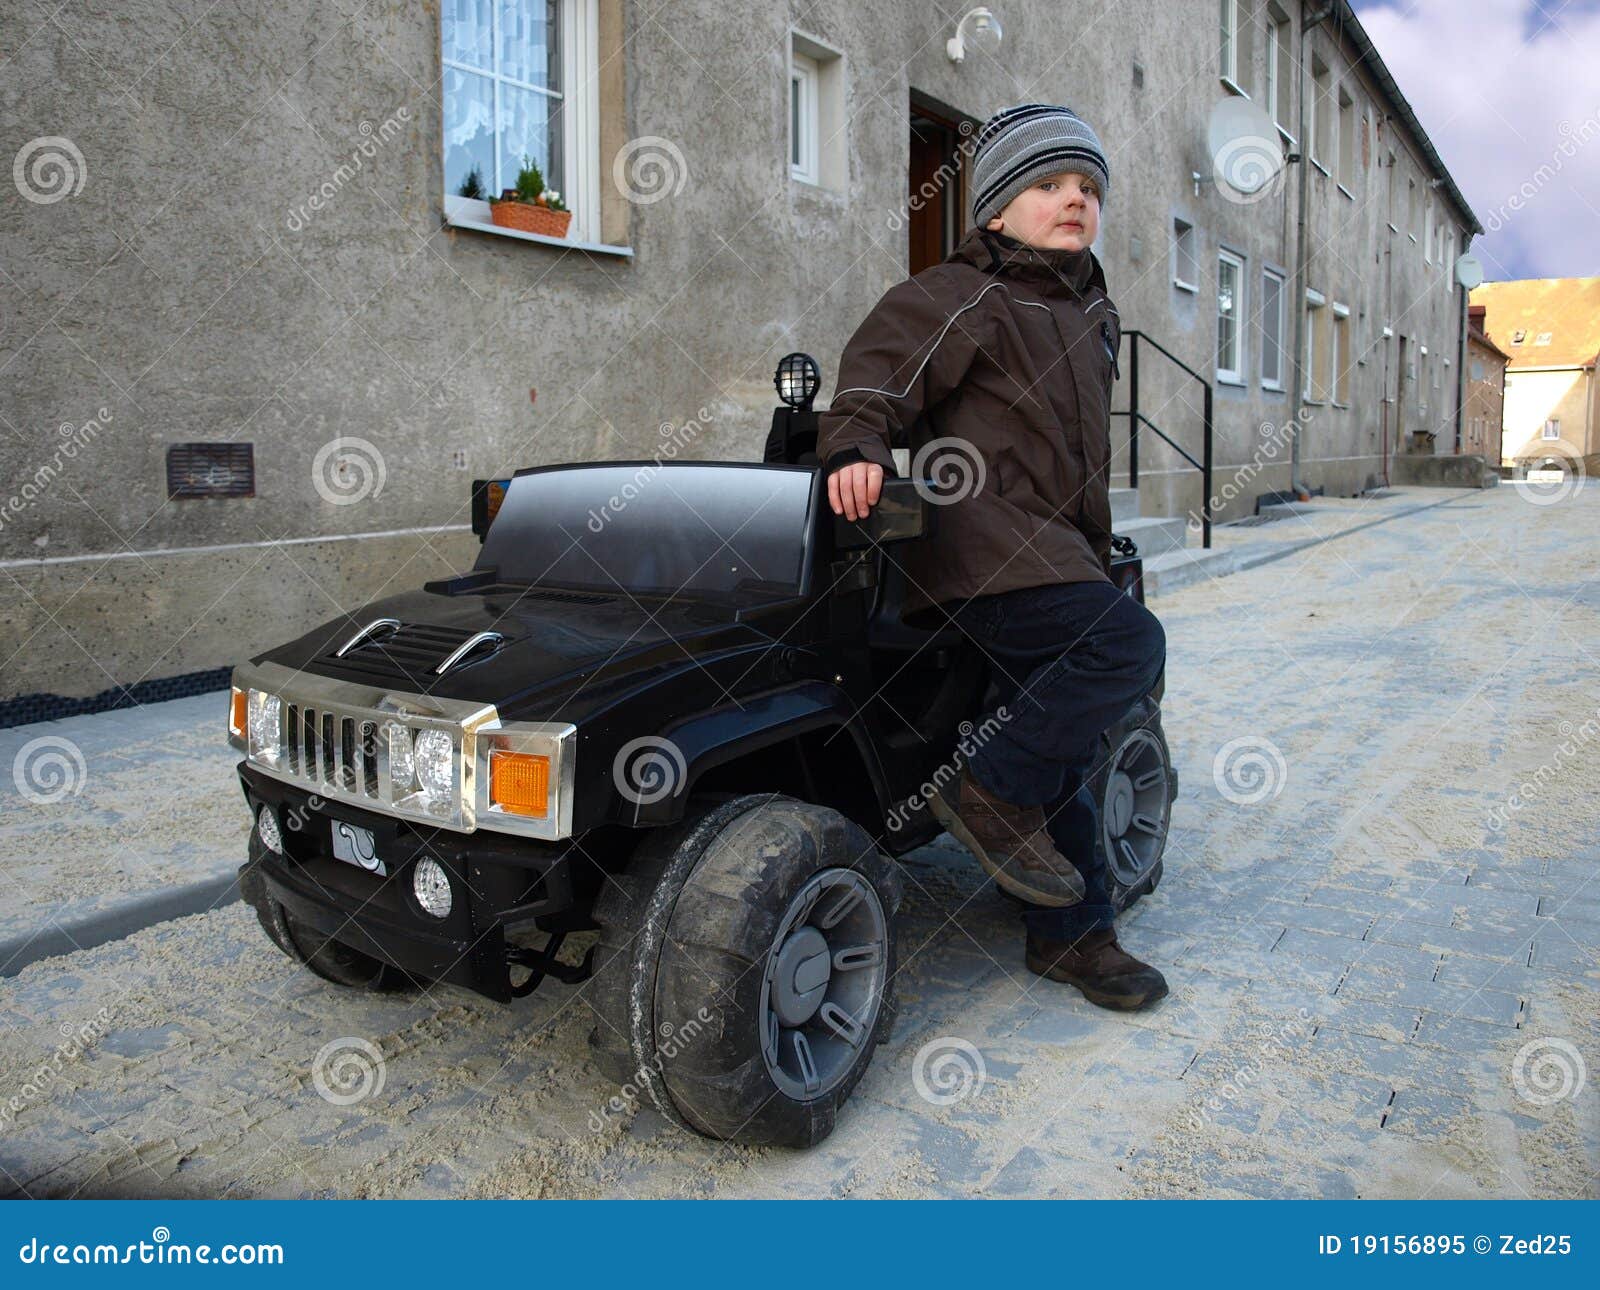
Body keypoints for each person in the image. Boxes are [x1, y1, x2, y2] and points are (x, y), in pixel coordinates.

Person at [816, 103, 1169, 1010]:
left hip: (1055, 553)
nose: (1074, 200)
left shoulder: (1092, 312)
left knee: (1065, 737)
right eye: (1049, 185)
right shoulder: (964, 293)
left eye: (1087, 187)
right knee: (1128, 647)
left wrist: (1092, 550)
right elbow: (878, 367)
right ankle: (986, 790)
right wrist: (856, 445)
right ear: (998, 211)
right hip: (978, 548)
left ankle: (1072, 935)